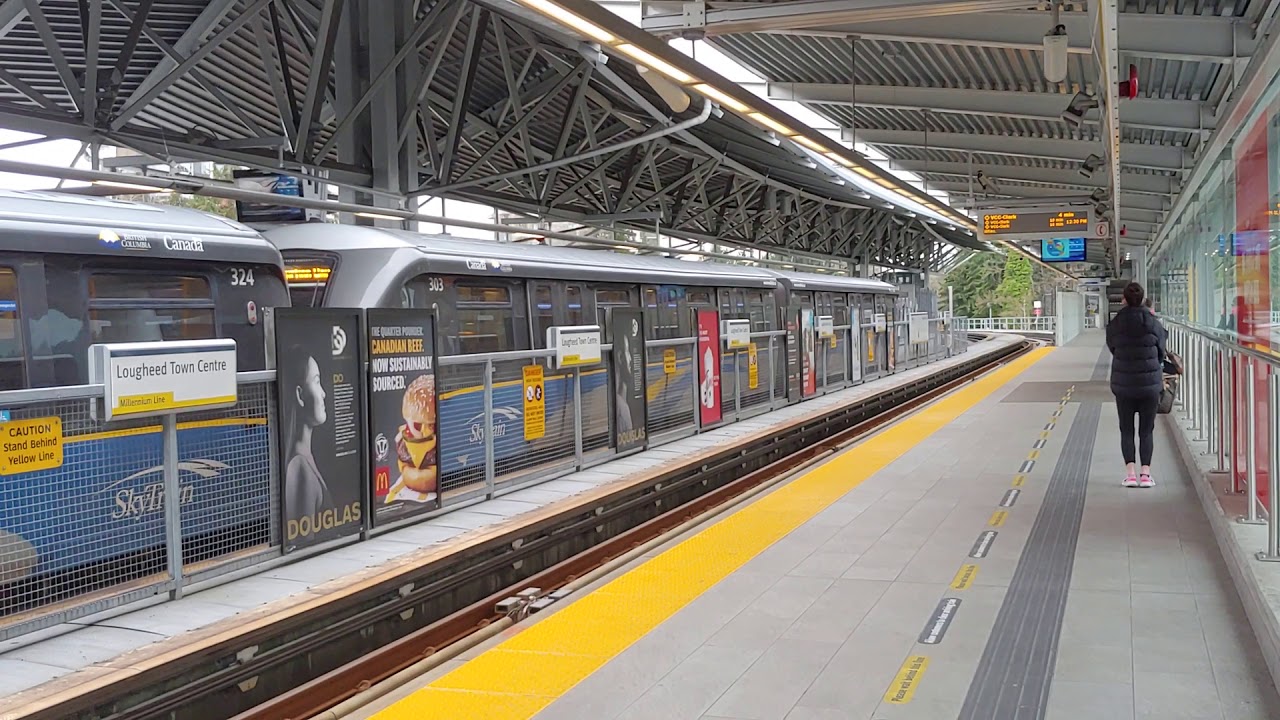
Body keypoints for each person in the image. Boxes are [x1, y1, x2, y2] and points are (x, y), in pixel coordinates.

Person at [1106, 282, 1167, 488]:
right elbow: (1161, 350)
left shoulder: (1116, 323)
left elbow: (1113, 348)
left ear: (1123, 299)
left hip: (1124, 385)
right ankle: (1146, 475)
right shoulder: (1153, 323)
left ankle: (1131, 475)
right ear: (1142, 299)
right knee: (1146, 431)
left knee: (1127, 430)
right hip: (1150, 385)